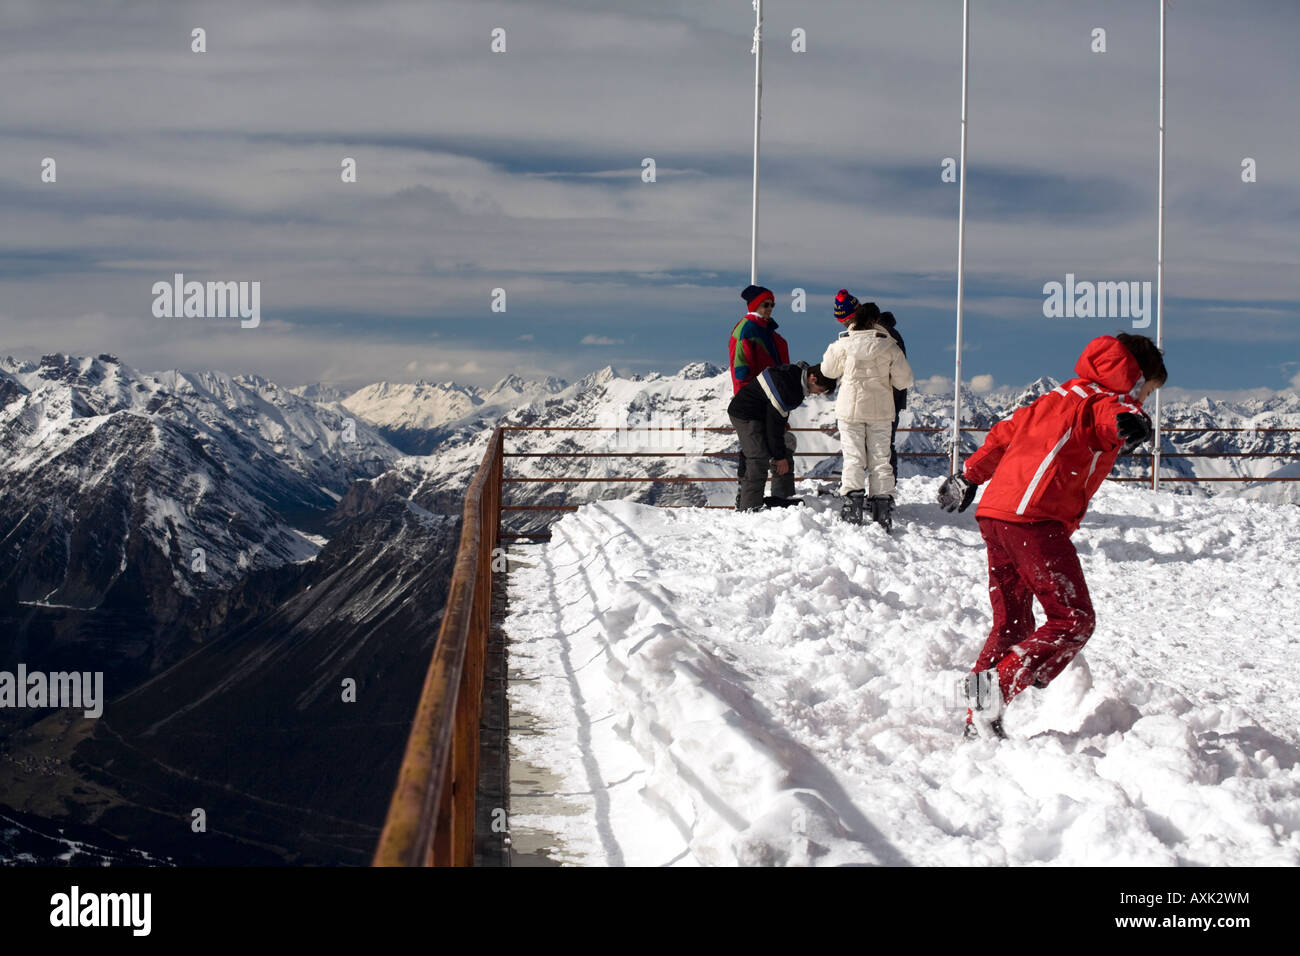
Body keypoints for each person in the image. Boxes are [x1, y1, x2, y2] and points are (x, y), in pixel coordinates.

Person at [938, 333, 1167, 739]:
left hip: (997, 515)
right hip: (1034, 520)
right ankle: (992, 693)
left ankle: (977, 719)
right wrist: (1130, 422)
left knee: (1011, 624)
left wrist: (968, 476)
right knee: (1073, 619)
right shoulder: (1104, 401)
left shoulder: (1056, 396)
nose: (1144, 401)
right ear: (1133, 378)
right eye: (1146, 391)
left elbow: (1002, 434)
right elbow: (1110, 416)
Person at [820, 303, 914, 530]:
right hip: (881, 409)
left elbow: (827, 371)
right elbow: (905, 380)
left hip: (850, 409)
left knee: (853, 456)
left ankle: (852, 505)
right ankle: (882, 509)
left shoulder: (842, 343)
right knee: (881, 458)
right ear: (875, 320)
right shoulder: (889, 345)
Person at [728, 362, 836, 512]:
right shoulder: (791, 390)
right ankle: (749, 508)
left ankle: (782, 499)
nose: (818, 394)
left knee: (787, 443)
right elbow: (774, 427)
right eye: (820, 390)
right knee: (758, 458)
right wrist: (779, 457)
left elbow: (776, 416)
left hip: (761, 414)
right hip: (745, 413)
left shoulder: (795, 375)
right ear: (813, 378)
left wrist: (781, 448)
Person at [729, 286, 789, 394]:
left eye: (772, 305)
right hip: (757, 397)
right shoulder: (746, 330)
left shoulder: (769, 332)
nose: (770, 308)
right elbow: (741, 368)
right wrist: (746, 398)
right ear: (755, 305)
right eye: (766, 304)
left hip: (774, 395)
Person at [876, 311, 908, 481]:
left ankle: (886, 483)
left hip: (884, 398)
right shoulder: (897, 337)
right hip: (895, 400)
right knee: (888, 443)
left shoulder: (884, 337)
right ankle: (889, 484)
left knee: (882, 444)